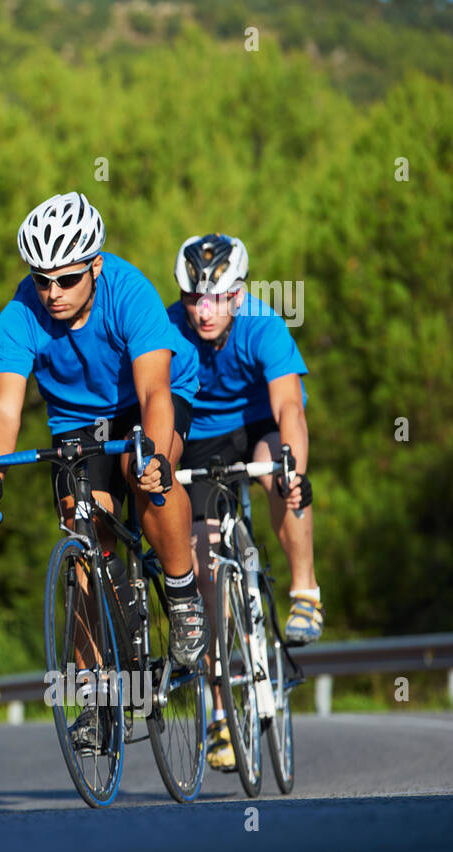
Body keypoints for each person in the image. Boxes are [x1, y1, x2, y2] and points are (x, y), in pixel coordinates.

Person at [0, 192, 206, 751]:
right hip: (77, 420)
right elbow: (4, 406)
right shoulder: (19, 315)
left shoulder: (130, 292)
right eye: (41, 279)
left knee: (147, 474)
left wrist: (157, 460)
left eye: (67, 279)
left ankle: (181, 591)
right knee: (81, 532)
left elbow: (153, 390)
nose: (52, 293)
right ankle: (98, 702)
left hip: (146, 400)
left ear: (95, 266)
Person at [166, 232, 320, 771]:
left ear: (237, 294)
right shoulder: (168, 331)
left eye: (216, 298)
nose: (203, 311)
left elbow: (289, 411)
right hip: (203, 436)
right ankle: (219, 713)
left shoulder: (265, 326)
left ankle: (306, 591)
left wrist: (293, 467)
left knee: (281, 475)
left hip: (258, 424)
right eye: (192, 299)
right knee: (205, 569)